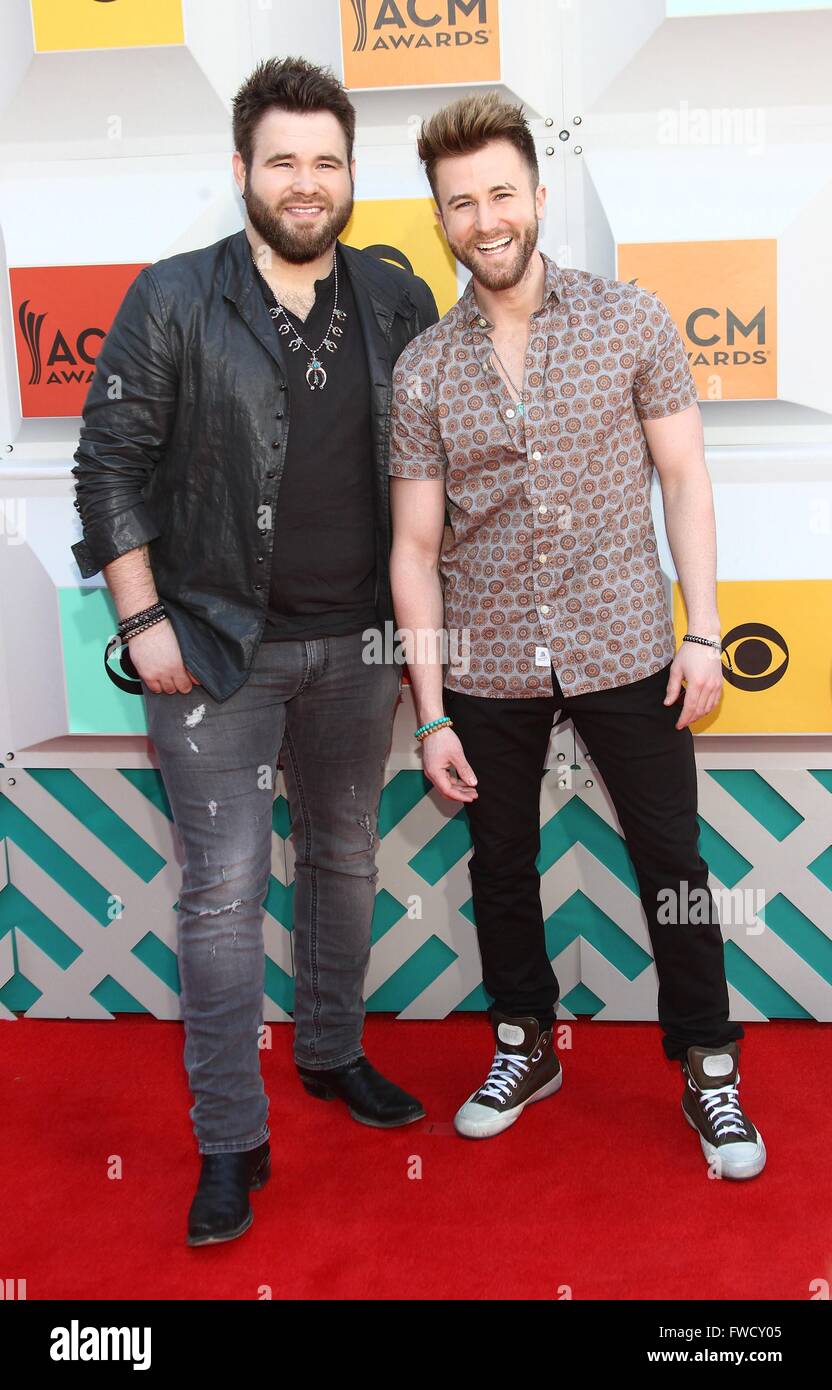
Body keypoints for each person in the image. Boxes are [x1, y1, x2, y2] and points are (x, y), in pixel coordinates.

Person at [71, 56, 439, 1247]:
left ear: (349, 176)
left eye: (326, 161)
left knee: (343, 861)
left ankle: (331, 1054)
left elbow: (427, 475)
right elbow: (108, 467)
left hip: (358, 649)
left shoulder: (394, 297)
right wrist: (142, 620)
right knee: (224, 898)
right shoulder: (174, 296)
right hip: (213, 651)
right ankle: (230, 1137)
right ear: (242, 170)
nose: (305, 181)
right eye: (282, 159)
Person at [387, 93, 765, 1180]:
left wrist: (706, 633)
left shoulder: (630, 319)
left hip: (627, 638)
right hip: (490, 656)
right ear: (442, 221)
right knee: (499, 863)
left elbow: (686, 477)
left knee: (672, 862)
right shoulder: (424, 369)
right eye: (460, 203)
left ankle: (706, 1066)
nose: (484, 218)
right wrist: (429, 713)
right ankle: (525, 1044)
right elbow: (415, 551)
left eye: (501, 192)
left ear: (538, 197)